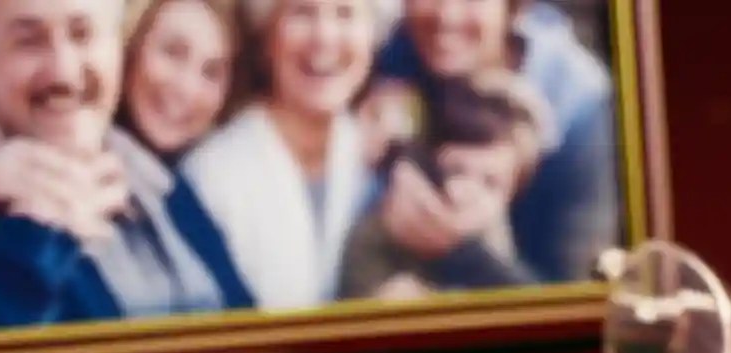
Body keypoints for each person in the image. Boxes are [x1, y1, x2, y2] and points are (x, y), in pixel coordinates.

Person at [0, 0, 253, 333]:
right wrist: (33, 238)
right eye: (29, 41)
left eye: (83, 34)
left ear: (117, 45)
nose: (64, 72)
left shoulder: (153, 179)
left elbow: (246, 324)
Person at [366, 0, 619, 287]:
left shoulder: (578, 105)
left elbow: (574, 297)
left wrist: (455, 247)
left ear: (512, 9)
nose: (447, 15)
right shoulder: (395, 56)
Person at [179, 0, 377, 310]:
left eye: (345, 12)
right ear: (268, 37)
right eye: (302, 12)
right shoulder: (212, 176)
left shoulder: (379, 153)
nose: (324, 36)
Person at [338, 70, 545, 299]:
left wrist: (460, 249)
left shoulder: (493, 236)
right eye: (456, 171)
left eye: (490, 183)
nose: (467, 192)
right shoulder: (379, 231)